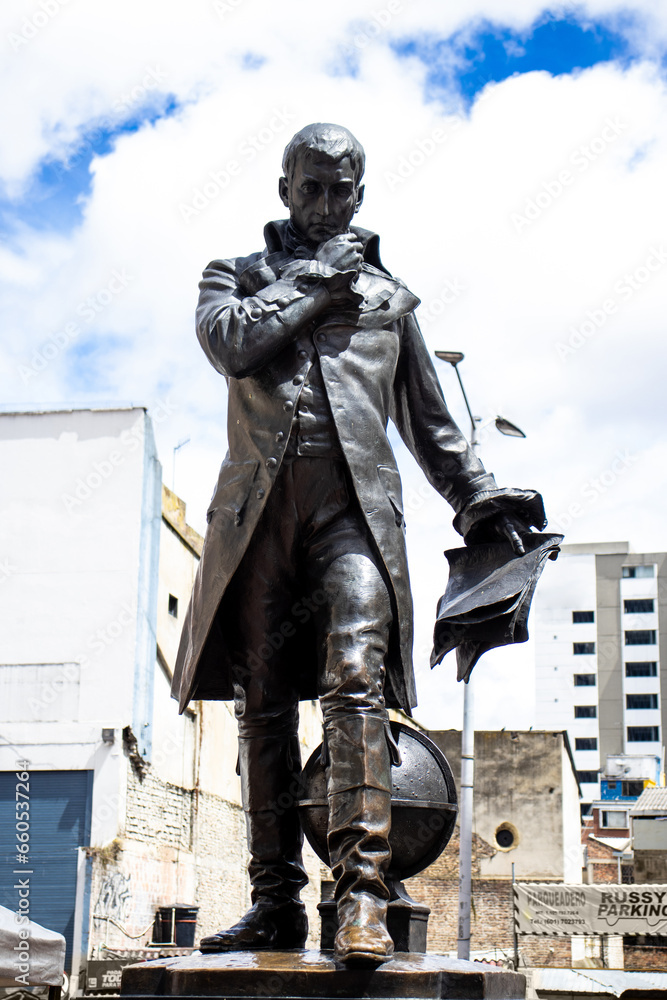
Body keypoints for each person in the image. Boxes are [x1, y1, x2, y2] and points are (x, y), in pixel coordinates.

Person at [171, 123, 545, 965]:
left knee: (354, 683)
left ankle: (363, 896)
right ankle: (273, 904)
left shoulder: (390, 301)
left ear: (360, 196)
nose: (328, 205)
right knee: (264, 703)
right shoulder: (235, 277)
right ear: (284, 190)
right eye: (312, 189)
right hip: (258, 519)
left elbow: (433, 424)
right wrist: (315, 280)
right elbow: (230, 342)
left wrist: (478, 495)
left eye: (343, 192)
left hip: (352, 518)